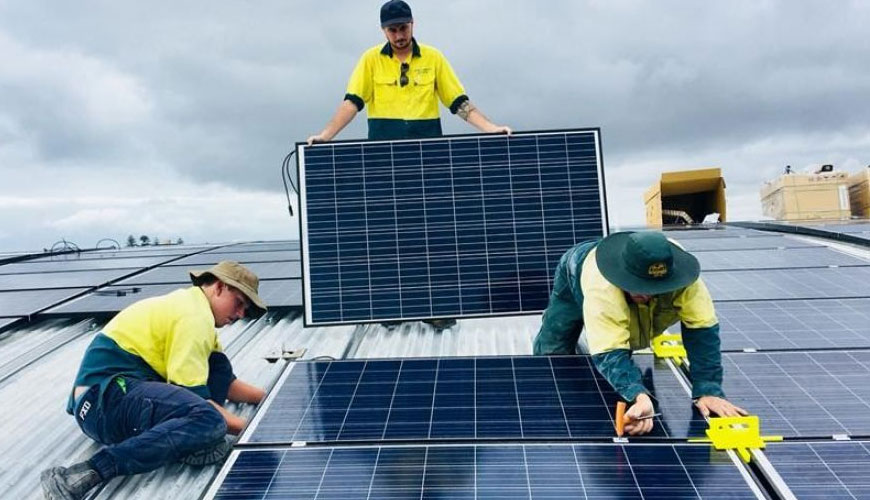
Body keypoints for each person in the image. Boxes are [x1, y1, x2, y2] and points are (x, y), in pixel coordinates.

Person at [307, 0, 511, 332]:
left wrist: (490, 128)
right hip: (383, 158)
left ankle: (434, 305)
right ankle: (393, 304)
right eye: (392, 30)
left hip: (426, 155)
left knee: (430, 230)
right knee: (387, 230)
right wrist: (327, 135)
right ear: (383, 31)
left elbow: (458, 101)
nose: (399, 35)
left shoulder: (433, 58)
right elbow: (353, 102)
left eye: (403, 28)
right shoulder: (370, 60)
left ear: (413, 24)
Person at [40, 261, 268, 500]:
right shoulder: (193, 317)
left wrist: (269, 399)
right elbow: (199, 402)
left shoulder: (195, 311)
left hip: (118, 397)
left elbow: (227, 383)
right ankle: (82, 474)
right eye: (239, 303)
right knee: (209, 420)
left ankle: (190, 439)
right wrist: (255, 429)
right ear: (219, 287)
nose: (241, 314)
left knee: (217, 365)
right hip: (105, 399)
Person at [532, 231, 747, 436]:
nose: (645, 294)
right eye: (638, 286)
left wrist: (709, 389)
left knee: (632, 333)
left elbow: (702, 330)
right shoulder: (601, 287)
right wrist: (638, 394)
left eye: (654, 288)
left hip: (626, 274)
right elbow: (610, 350)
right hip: (575, 268)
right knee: (555, 344)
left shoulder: (684, 277)